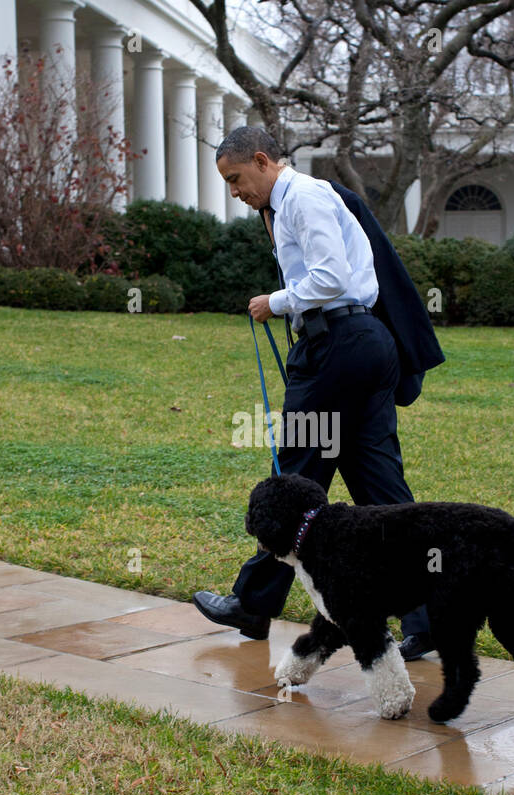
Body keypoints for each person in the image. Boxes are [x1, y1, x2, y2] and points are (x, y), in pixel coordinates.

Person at [192, 125, 443, 661]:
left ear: (262, 161)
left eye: (236, 179)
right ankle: (427, 618)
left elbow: (329, 278)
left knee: (295, 480)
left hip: (336, 348)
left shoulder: (301, 199)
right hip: (365, 349)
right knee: (382, 490)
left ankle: (252, 604)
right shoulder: (301, 200)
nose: (235, 193)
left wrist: (274, 302)